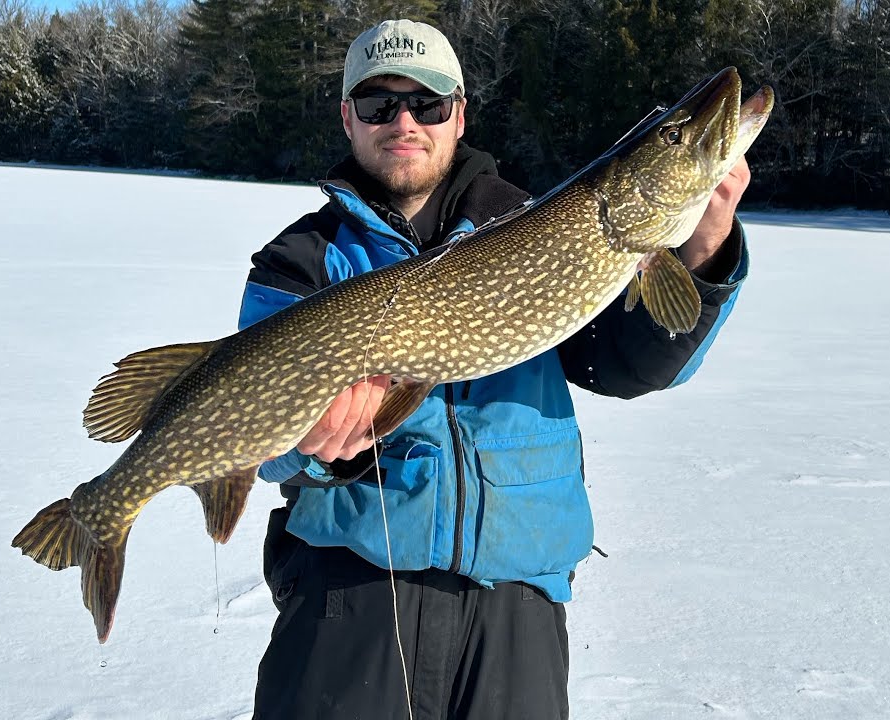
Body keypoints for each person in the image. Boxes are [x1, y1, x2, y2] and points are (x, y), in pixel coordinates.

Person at [240, 18, 751, 720]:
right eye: (379, 104)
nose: (404, 121)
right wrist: (315, 453)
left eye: (427, 103)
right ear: (347, 118)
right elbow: (257, 437)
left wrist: (707, 245)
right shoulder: (300, 260)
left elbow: (627, 367)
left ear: (459, 114)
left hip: (515, 605)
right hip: (347, 594)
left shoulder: (532, 224)